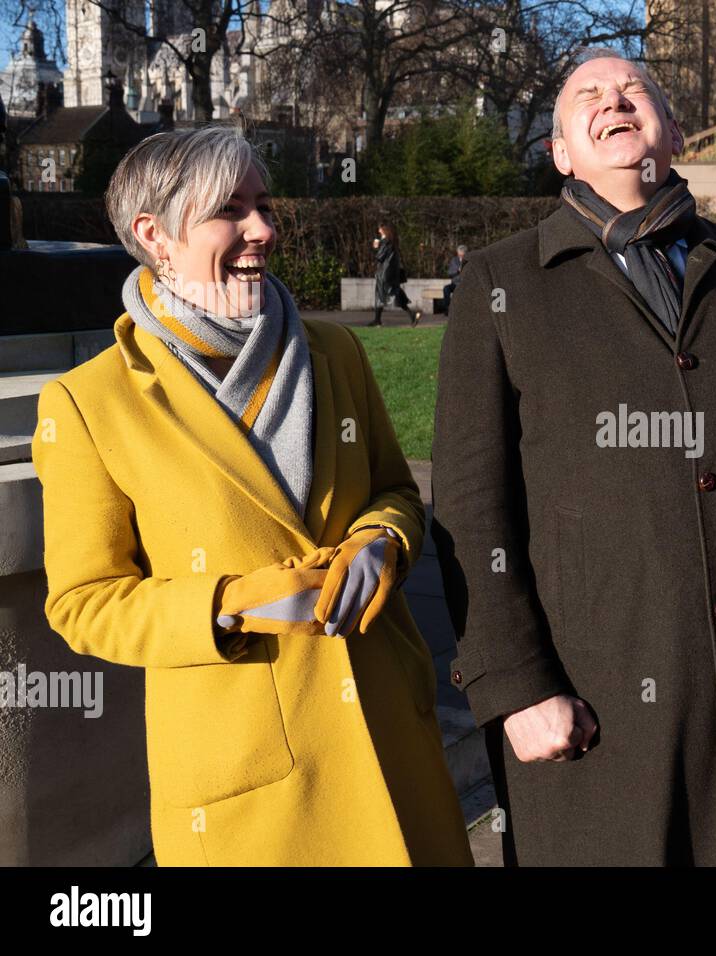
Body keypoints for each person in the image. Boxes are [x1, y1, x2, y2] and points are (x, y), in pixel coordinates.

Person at [430, 49, 716, 866]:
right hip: (602, 686)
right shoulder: (501, 282)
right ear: (561, 153)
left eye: (634, 90)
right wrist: (515, 685)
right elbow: (471, 505)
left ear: (676, 128)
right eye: (587, 95)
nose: (613, 99)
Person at [31, 126, 472, 867]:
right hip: (249, 783)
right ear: (155, 236)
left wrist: (383, 540)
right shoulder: (89, 402)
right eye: (230, 211)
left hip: (385, 729)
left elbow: (396, 490)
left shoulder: (336, 351)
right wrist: (229, 604)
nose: (263, 230)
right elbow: (83, 602)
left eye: (263, 205)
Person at [371, 223, 422, 326]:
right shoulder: (392, 242)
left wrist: (376, 247)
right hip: (392, 274)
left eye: (380, 229)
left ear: (384, 230)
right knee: (394, 294)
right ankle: (378, 319)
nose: (379, 231)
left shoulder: (385, 242)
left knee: (382, 295)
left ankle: (378, 320)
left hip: (384, 274)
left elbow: (379, 257)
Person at [444, 243, 468, 310]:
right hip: (455, 284)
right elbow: (449, 273)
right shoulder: (454, 261)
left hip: (465, 284)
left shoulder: (469, 261)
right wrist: (457, 271)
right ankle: (447, 309)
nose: (461, 256)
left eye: (462, 255)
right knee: (446, 289)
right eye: (459, 254)